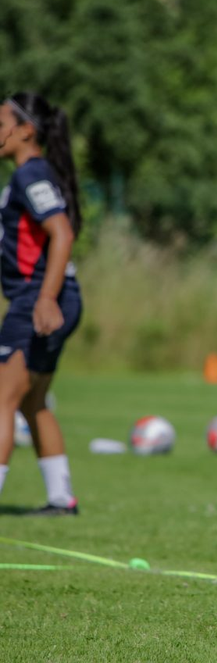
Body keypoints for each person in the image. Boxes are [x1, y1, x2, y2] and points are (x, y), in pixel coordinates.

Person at [0, 92, 84, 516]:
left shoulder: (30, 175)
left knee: (2, 399)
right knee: (33, 402)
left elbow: (62, 233)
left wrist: (46, 298)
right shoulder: (35, 174)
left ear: (25, 131)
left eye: (0, 125)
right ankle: (61, 498)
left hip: (40, 298)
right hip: (52, 295)